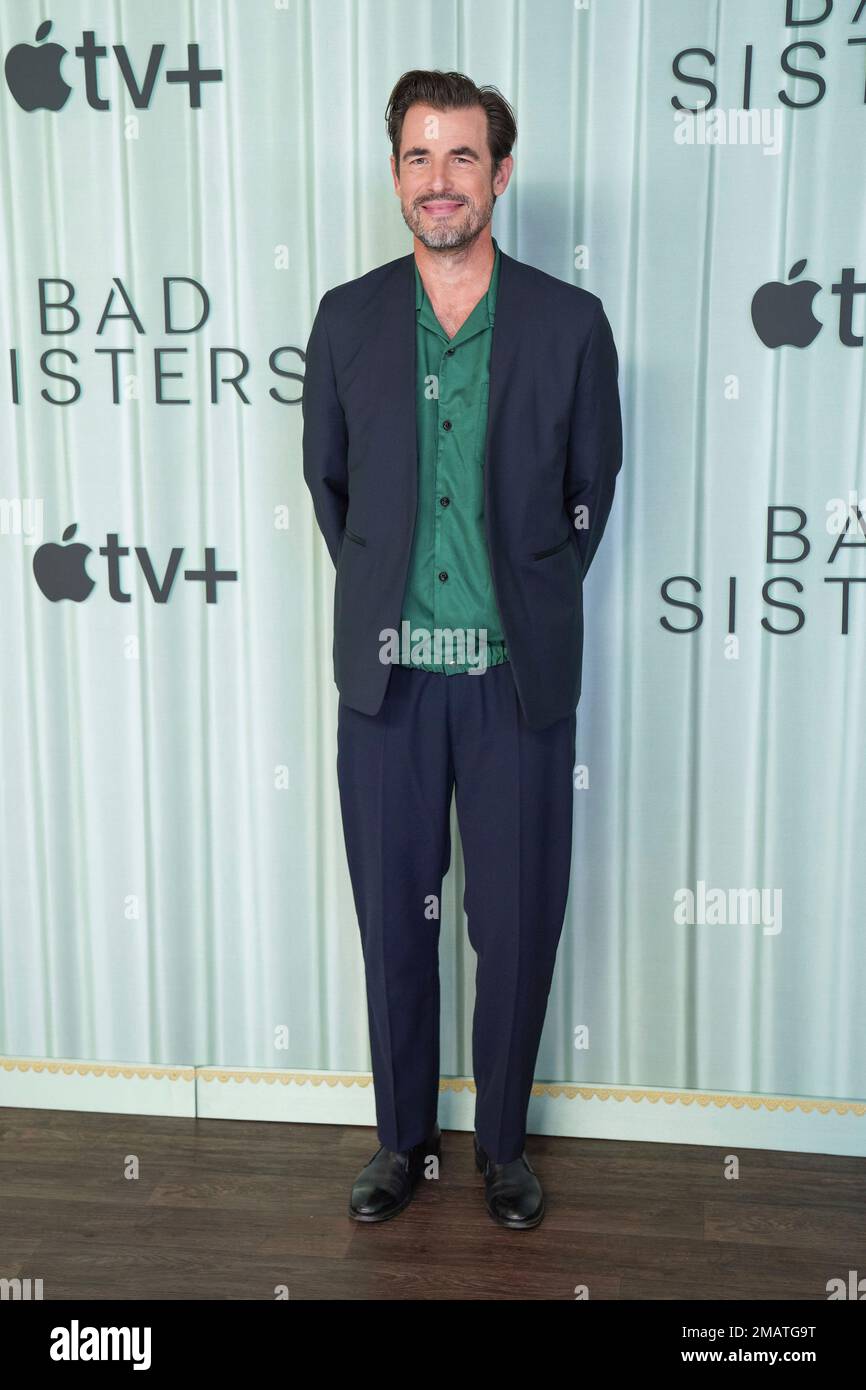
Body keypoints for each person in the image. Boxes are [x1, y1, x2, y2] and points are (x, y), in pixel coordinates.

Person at [302, 68, 622, 1229]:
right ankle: (399, 1144)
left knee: (516, 920)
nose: (439, 182)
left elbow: (589, 493)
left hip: (512, 686)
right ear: (396, 174)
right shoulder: (344, 317)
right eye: (418, 158)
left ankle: (499, 1148)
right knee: (393, 916)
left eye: (462, 158)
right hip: (385, 684)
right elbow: (333, 491)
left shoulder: (568, 324)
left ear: (498, 170)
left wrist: (514, 608)